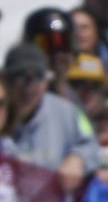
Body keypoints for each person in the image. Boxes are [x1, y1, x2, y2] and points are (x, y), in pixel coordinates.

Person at [3, 45, 102, 192]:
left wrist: (78, 159)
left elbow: (92, 143)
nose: (29, 85)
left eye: (38, 76)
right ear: (5, 80)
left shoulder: (69, 111)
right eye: (20, 75)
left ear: (47, 81)